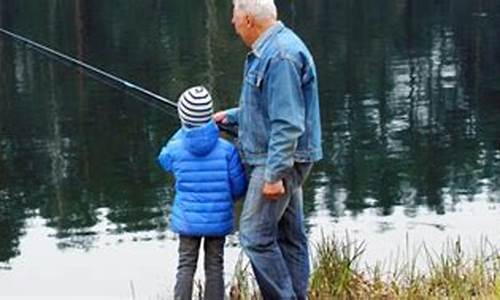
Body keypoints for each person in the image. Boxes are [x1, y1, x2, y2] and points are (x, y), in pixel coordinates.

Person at [213, 0, 323, 299]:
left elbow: (287, 122)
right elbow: (269, 106)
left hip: (278, 160)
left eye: (235, 16)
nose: (232, 23)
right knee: (290, 236)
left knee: (254, 236)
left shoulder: (280, 57)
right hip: (279, 156)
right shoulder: (272, 50)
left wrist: (274, 175)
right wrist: (232, 116)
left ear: (248, 19)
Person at [158, 86, 247, 300]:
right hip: (218, 218)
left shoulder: (176, 148)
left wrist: (183, 131)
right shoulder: (227, 150)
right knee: (215, 265)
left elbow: (163, 160)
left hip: (187, 221)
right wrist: (225, 200)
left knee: (186, 265)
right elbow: (239, 187)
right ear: (210, 116)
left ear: (183, 118)